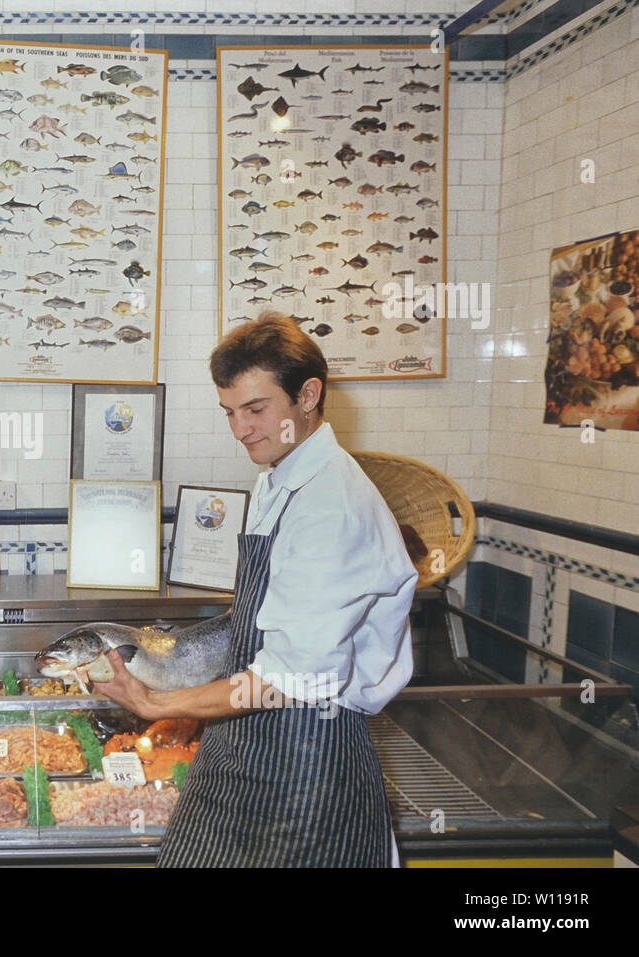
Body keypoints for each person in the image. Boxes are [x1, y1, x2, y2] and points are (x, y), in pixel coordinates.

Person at [94, 313, 417, 867]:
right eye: (230, 412)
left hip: (308, 757)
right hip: (246, 739)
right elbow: (256, 624)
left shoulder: (329, 504)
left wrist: (157, 703)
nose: (240, 429)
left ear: (308, 395)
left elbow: (298, 678)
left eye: (256, 409)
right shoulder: (280, 477)